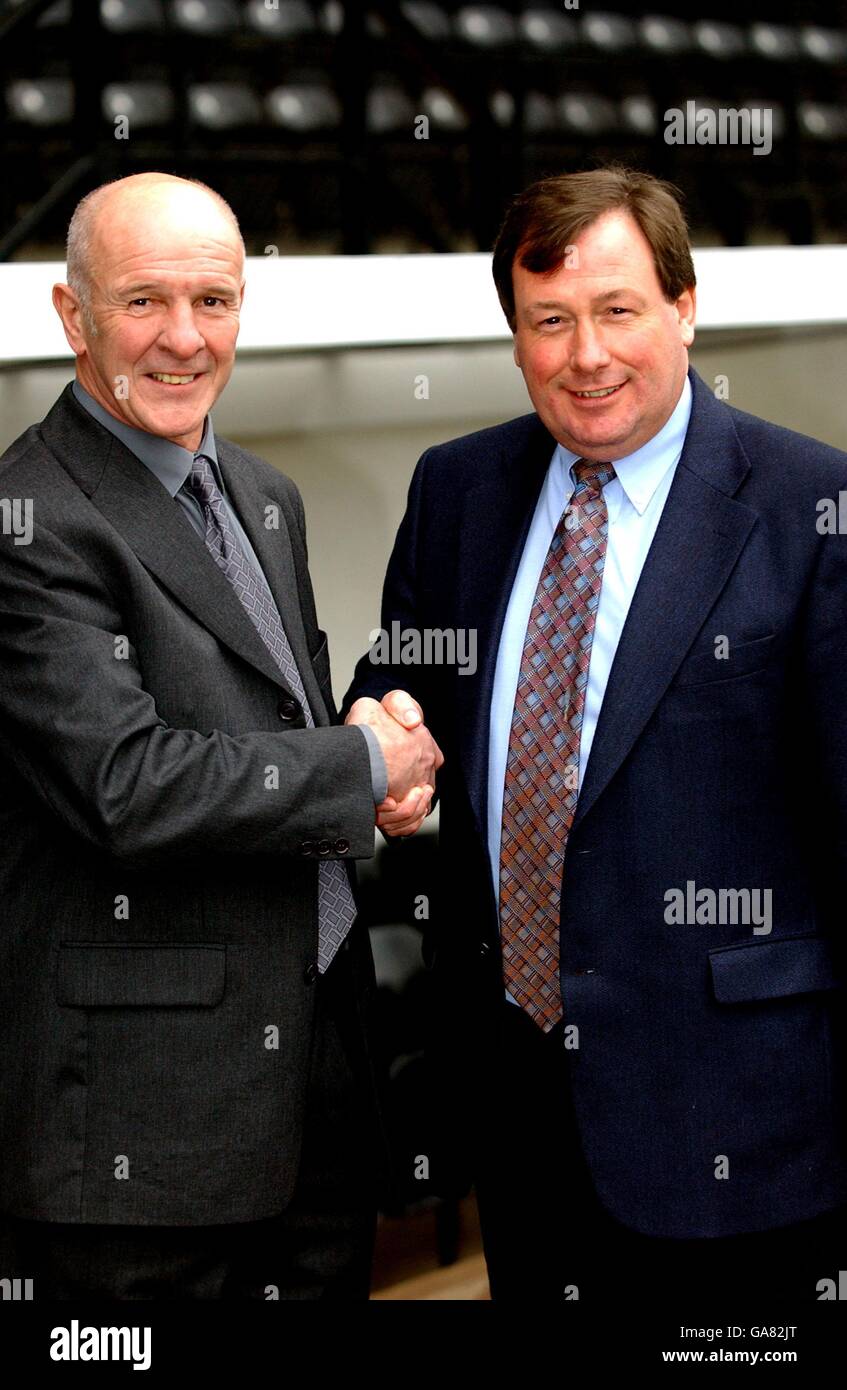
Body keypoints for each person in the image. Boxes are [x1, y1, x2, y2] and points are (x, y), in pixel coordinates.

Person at [343, 166, 847, 1307]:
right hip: (522, 1123)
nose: (586, 356)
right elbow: (408, 674)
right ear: (513, 332)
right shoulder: (457, 489)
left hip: (748, 1147)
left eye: (617, 311)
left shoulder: (812, 512)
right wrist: (383, 723)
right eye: (549, 321)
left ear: (683, 306)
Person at [0, 172, 441, 1300]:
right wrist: (353, 767)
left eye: (215, 300)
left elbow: (271, 724)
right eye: (143, 301)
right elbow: (126, 784)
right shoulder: (30, 523)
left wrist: (370, 750)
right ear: (71, 316)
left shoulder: (262, 493)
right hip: (141, 1139)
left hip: (315, 1089)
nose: (183, 338)